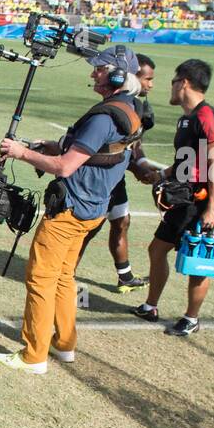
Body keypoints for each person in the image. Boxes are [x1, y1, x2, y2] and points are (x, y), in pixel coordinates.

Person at [0, 46, 144, 373]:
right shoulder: (131, 111)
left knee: (41, 280)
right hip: (94, 210)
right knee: (63, 277)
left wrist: (21, 152)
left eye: (100, 69)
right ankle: (64, 343)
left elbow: (63, 167)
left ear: (118, 75)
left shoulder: (104, 116)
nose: (93, 73)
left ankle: (33, 355)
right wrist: (53, 146)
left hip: (70, 209)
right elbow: (100, 153)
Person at [132, 58, 214, 337]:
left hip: (199, 200)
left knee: (196, 257)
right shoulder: (187, 118)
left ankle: (191, 318)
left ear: (183, 82)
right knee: (158, 249)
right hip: (182, 197)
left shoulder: (207, 116)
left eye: (173, 82)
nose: (169, 87)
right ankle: (151, 306)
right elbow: (185, 162)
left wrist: (212, 208)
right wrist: (161, 176)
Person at [80, 53, 156, 292]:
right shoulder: (120, 106)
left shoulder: (136, 105)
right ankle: (65, 274)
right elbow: (113, 150)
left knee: (122, 222)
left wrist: (140, 163)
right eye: (147, 78)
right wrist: (140, 168)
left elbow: (133, 145)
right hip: (101, 179)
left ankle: (125, 276)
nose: (150, 85)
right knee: (90, 229)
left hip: (116, 176)